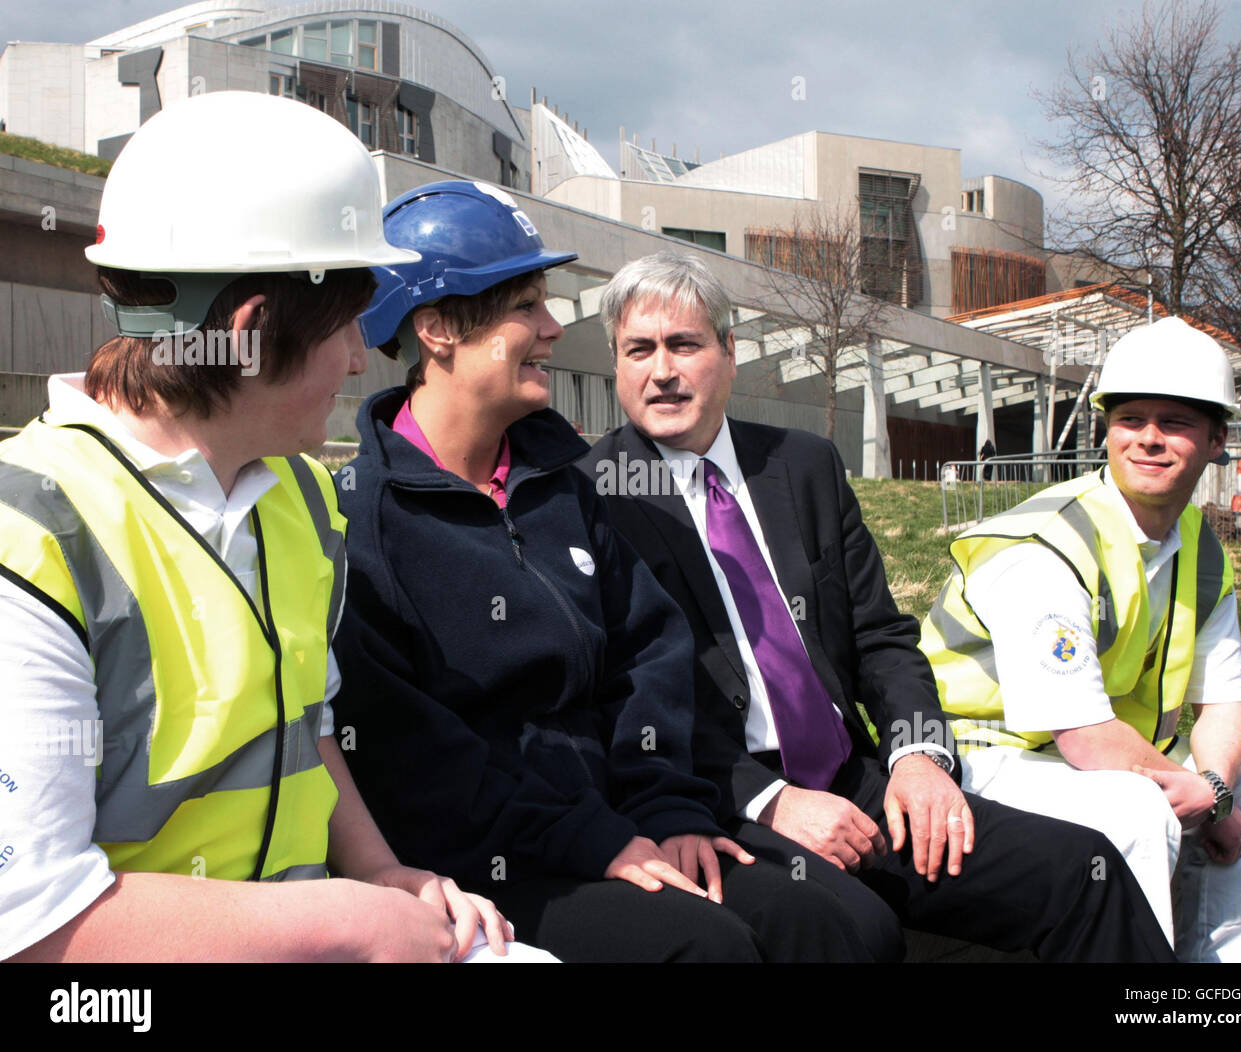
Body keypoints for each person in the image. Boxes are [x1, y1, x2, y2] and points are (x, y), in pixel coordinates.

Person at [0, 91, 526, 963]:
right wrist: (348, 923)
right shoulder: (31, 530)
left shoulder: (303, 498)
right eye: (349, 324)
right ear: (249, 332)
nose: (363, 358)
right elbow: (33, 919)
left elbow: (305, 725)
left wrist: (380, 873)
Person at [331, 182, 904, 962]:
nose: (552, 326)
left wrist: (669, 811)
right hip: (500, 866)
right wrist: (601, 842)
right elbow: (421, 761)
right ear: (436, 330)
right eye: (526, 306)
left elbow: (648, 657)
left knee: (846, 925)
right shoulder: (362, 523)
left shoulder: (564, 485)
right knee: (708, 950)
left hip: (624, 825)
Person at [580, 250, 1176, 962]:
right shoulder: (591, 498)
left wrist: (919, 756)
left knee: (1084, 871)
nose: (662, 370)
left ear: (731, 353)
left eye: (684, 344)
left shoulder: (804, 466)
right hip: (723, 801)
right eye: (637, 350)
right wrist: (768, 801)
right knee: (858, 932)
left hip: (857, 778)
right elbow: (623, 696)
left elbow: (883, 637)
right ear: (615, 365)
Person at [921, 315, 1241, 962]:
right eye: (1131, 420)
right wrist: (1209, 803)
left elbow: (1225, 700)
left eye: (1174, 422)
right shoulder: (1048, 543)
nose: (1149, 440)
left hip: (1079, 755)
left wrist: (1215, 784)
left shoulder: (1202, 552)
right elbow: (1086, 737)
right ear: (1107, 429)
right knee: (1133, 809)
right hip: (973, 760)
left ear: (1216, 440)